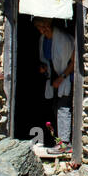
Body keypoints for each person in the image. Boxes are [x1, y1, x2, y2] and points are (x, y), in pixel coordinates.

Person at [34, 17, 74, 152]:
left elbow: (73, 61)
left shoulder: (63, 39)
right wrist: (44, 67)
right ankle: (59, 141)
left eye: (44, 26)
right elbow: (46, 59)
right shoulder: (43, 40)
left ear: (49, 25)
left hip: (67, 78)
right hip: (54, 77)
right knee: (56, 108)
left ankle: (64, 144)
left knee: (63, 108)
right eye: (39, 27)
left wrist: (62, 77)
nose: (42, 29)